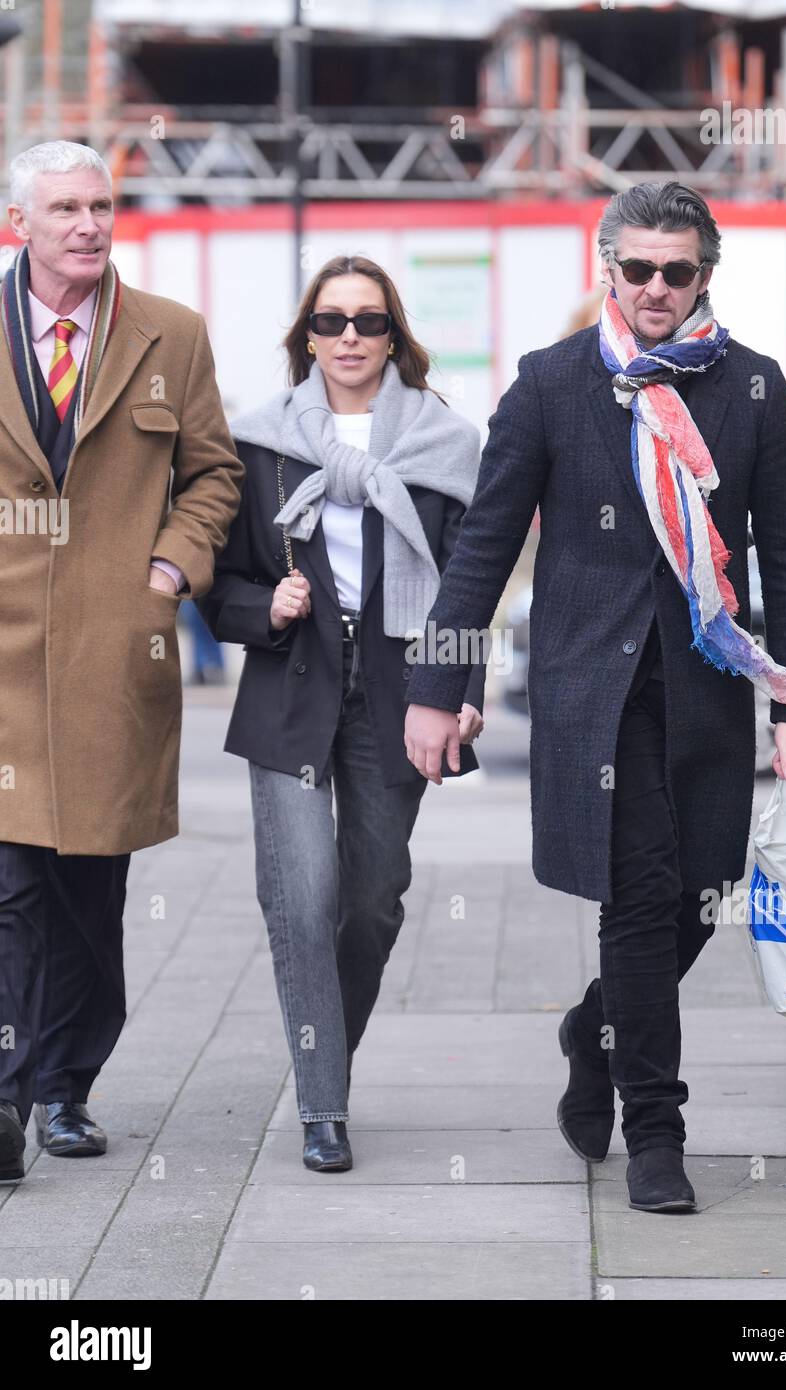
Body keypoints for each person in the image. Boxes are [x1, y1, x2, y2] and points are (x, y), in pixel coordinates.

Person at [404, 181, 786, 1214]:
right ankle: (655, 1133)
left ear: (703, 275)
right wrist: (437, 686)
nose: (654, 287)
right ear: (608, 268)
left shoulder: (754, 389)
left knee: (698, 896)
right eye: (636, 268)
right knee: (637, 897)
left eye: (675, 270)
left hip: (706, 687)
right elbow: (482, 547)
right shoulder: (550, 383)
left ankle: (591, 1031)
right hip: (592, 693)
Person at [197, 254, 485, 1172]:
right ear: (308, 337)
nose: (349, 337)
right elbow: (218, 584)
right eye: (331, 321)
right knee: (302, 893)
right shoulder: (261, 444)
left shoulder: (445, 442)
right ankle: (323, 1107)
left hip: (402, 689)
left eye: (368, 321)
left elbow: (469, 584)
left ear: (393, 336)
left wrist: (463, 691)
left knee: (372, 898)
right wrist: (264, 609)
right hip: (292, 683)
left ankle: (327, 1057)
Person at [0, 141, 243, 1184]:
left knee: (88, 893)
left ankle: (66, 1086)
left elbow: (213, 474)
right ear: (19, 224)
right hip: (2, 664)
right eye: (64, 209)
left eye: (100, 205)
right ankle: (8, 1096)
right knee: (11, 886)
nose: (88, 225)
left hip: (114, 655)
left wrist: (169, 570)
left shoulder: (168, 334)